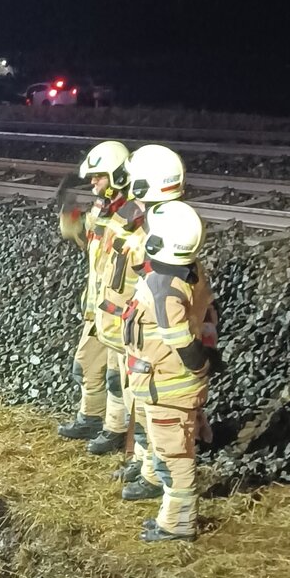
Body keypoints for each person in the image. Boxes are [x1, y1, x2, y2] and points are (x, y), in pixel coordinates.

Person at [122, 200, 215, 542]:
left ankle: (178, 524)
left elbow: (183, 345)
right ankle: (171, 516)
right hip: (166, 385)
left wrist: (200, 368)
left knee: (174, 458)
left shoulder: (164, 288)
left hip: (167, 389)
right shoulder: (187, 271)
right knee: (168, 453)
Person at [88, 143, 186, 458]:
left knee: (144, 399)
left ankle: (147, 463)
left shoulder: (161, 227)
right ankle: (135, 453)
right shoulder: (132, 214)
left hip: (141, 330)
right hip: (124, 323)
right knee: (123, 386)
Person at [56, 140, 131, 442]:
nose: (93, 182)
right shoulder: (104, 208)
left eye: (99, 176)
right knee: (86, 365)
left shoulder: (132, 215)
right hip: (98, 308)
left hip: (118, 311)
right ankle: (90, 418)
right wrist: (68, 210)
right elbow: (84, 236)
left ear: (117, 176)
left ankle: (115, 430)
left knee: (115, 376)